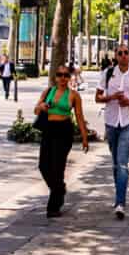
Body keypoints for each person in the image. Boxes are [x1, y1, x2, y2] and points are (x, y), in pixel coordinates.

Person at [96, 45, 129, 219]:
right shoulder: (108, 73)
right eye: (120, 53)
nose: (124, 56)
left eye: (126, 53)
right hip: (111, 122)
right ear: (116, 56)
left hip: (128, 122)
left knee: (122, 163)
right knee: (115, 163)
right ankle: (119, 194)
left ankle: (120, 203)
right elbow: (97, 97)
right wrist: (111, 97)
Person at [34, 65, 89, 217]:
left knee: (58, 167)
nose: (63, 78)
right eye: (60, 75)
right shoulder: (48, 92)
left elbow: (79, 117)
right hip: (48, 129)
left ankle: (53, 206)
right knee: (43, 165)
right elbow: (36, 110)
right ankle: (59, 188)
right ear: (55, 77)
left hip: (64, 131)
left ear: (70, 77)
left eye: (66, 75)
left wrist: (84, 138)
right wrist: (42, 106)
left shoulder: (74, 95)